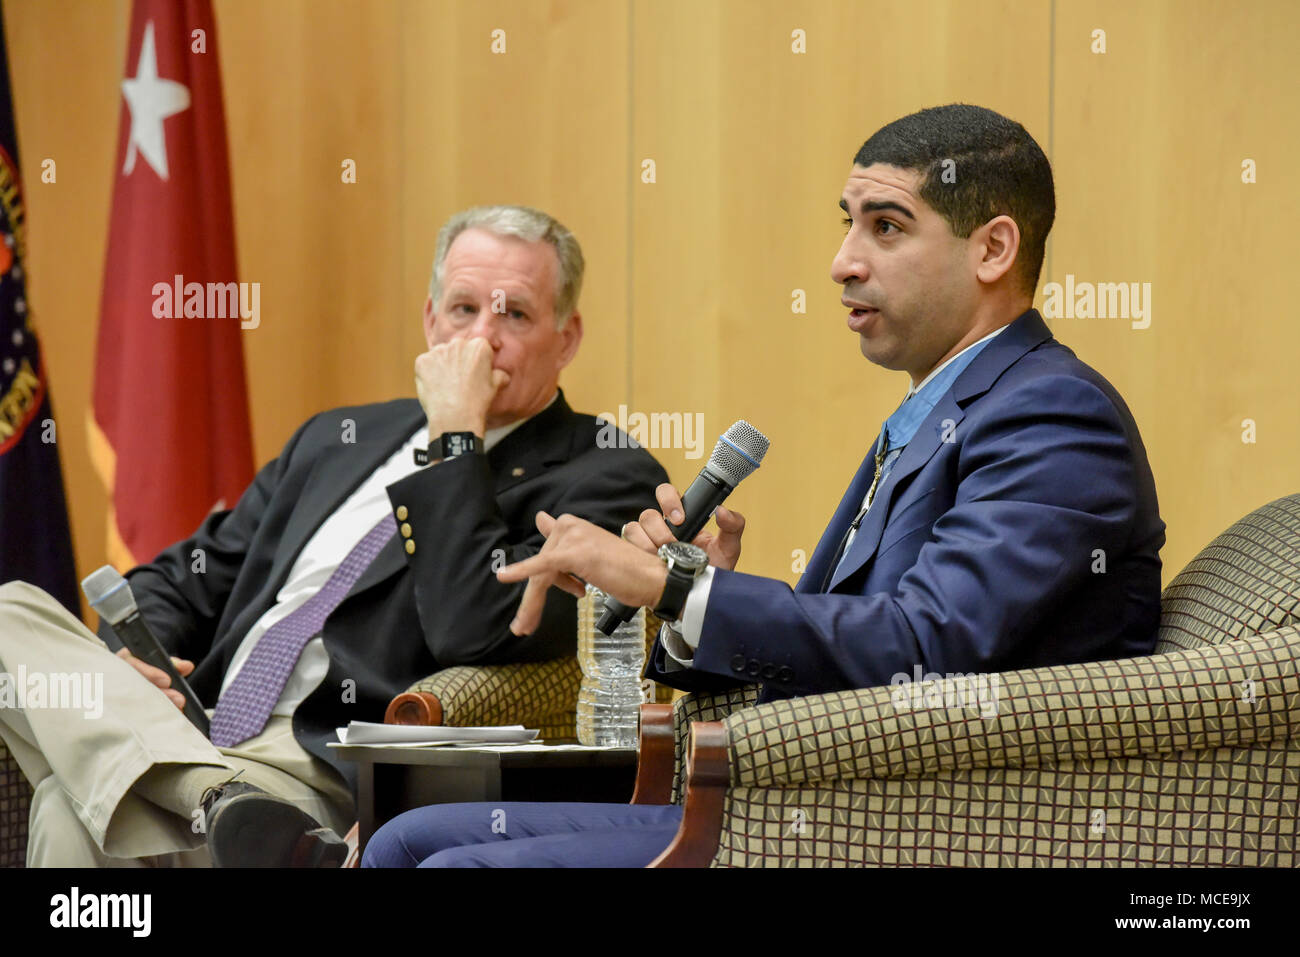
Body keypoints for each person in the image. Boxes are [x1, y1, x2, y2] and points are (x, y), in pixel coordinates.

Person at [363, 104, 1166, 868]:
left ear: (992, 249)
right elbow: (865, 649)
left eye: (885, 226)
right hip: (822, 793)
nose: (842, 260)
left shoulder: (1053, 414)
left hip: (920, 826)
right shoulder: (951, 404)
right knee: (406, 837)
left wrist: (675, 585)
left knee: (449, 859)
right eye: (847, 222)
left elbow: (929, 646)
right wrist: (701, 590)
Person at [0, 205, 668, 866]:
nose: (481, 339)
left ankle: (210, 796)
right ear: (430, 320)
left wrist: (455, 437)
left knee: (68, 804)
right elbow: (185, 576)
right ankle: (206, 791)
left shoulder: (607, 475)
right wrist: (130, 658)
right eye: (464, 310)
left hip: (323, 772)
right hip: (192, 732)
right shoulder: (338, 438)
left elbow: (473, 626)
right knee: (9, 612)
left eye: (514, 314)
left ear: (568, 337)